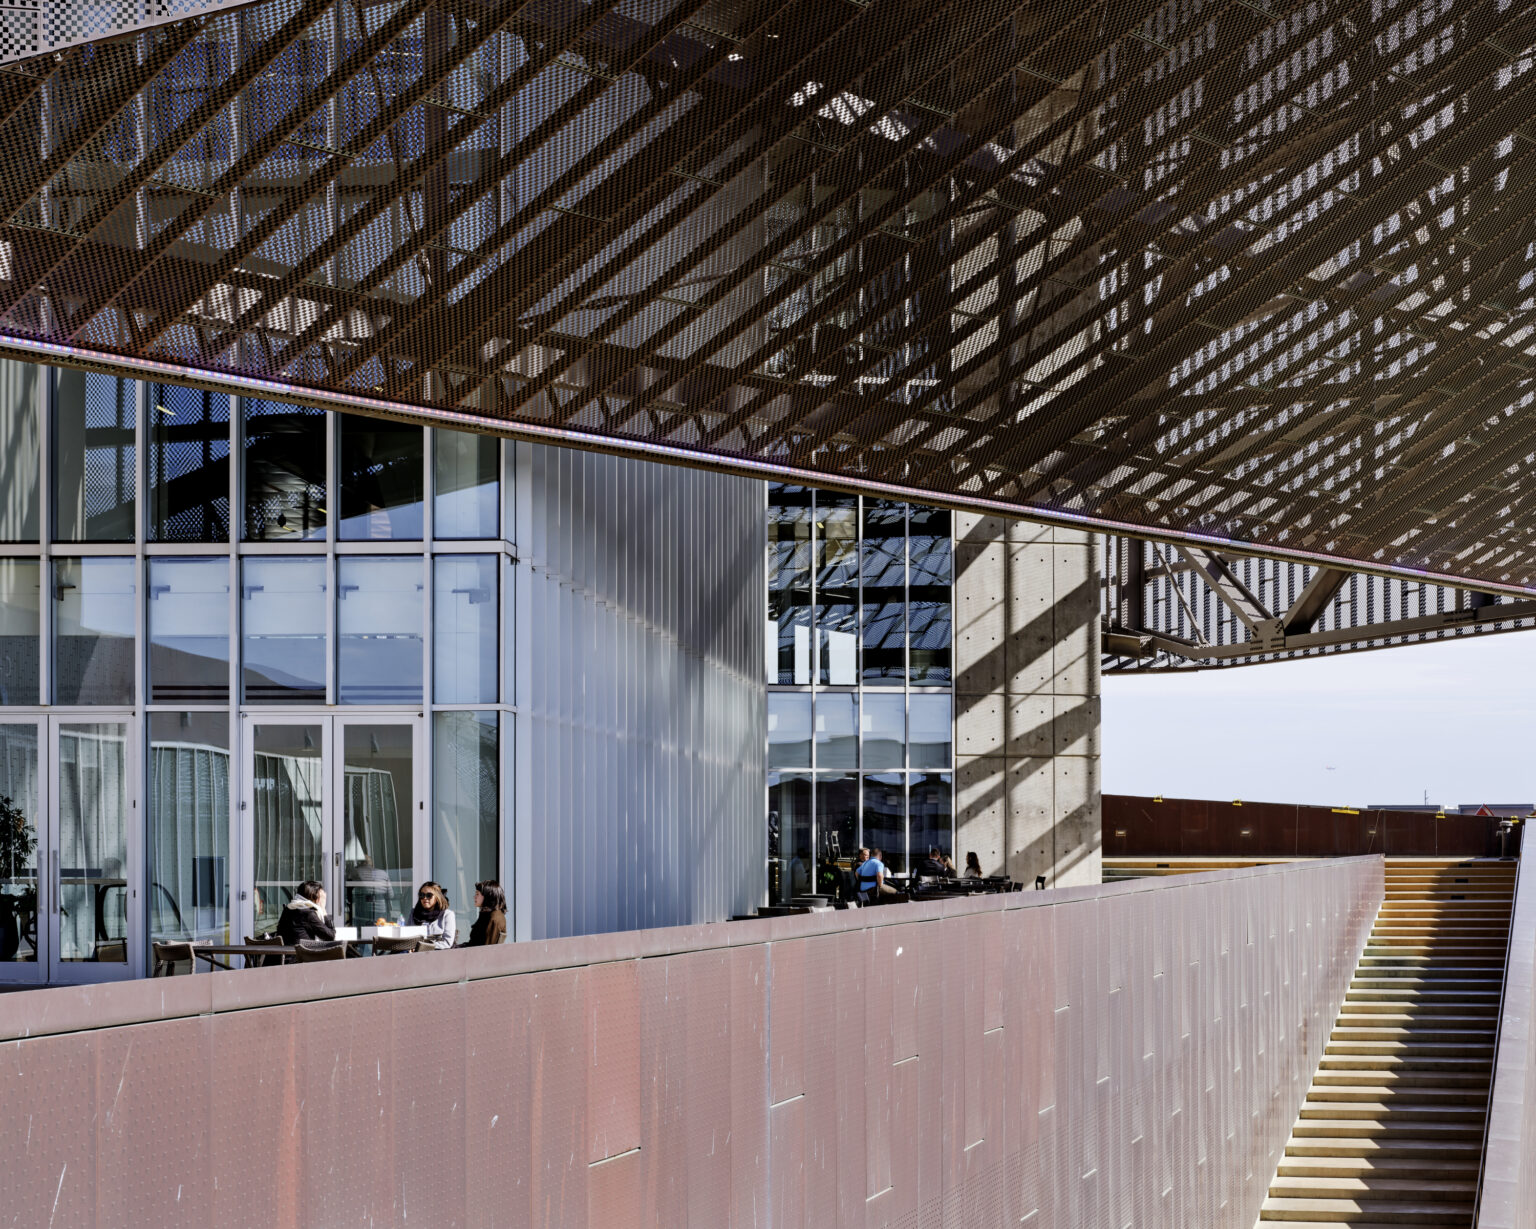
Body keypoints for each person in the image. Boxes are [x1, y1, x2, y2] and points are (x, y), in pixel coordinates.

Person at [276, 880, 335, 945]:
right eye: (322, 897)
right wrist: (323, 909)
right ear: (316, 897)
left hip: (286, 953)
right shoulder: (307, 913)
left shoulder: (289, 908)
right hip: (302, 954)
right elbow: (330, 936)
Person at [411, 881, 457, 948]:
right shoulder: (414, 913)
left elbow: (447, 942)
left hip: (438, 954)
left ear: (437, 897)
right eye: (422, 895)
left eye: (429, 895)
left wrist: (423, 947)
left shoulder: (447, 915)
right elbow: (407, 937)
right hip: (413, 954)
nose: (425, 898)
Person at [465, 881, 507, 946]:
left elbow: (487, 950)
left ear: (488, 896)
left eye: (477, 894)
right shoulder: (486, 915)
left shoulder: (494, 918)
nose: (474, 897)